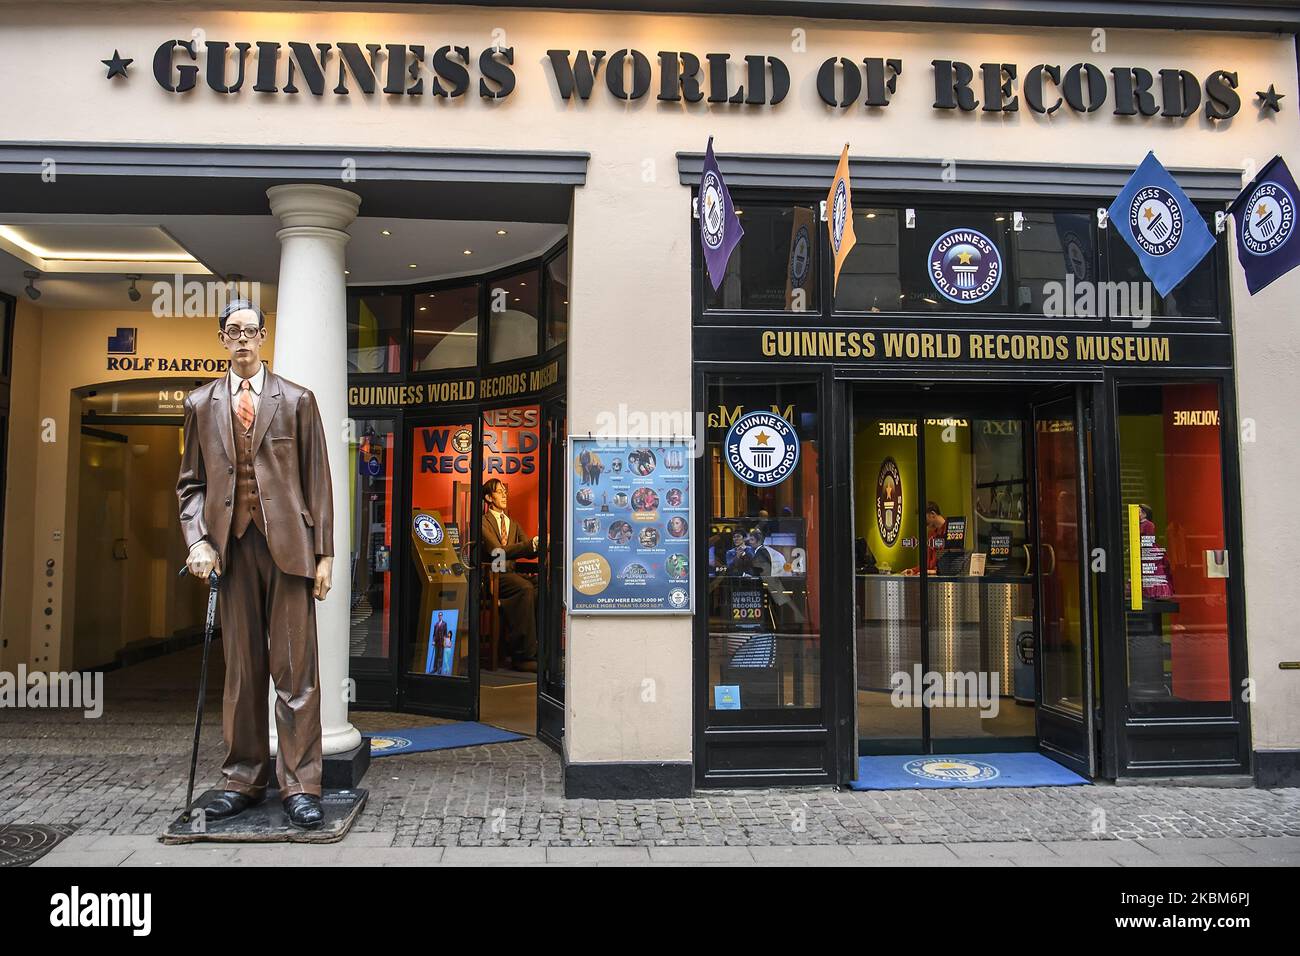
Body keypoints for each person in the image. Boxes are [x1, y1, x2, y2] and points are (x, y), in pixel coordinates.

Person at [177, 299, 333, 831]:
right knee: (242, 673)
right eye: (233, 331)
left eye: (251, 330)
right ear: (222, 338)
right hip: (231, 550)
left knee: (296, 673)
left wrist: (326, 554)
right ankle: (242, 778)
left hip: (290, 552)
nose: (242, 339)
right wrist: (197, 540)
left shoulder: (297, 399)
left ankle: (301, 783)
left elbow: (319, 480)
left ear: (263, 336)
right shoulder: (201, 404)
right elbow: (190, 486)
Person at [481, 478, 539, 672]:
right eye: (499, 492)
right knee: (525, 588)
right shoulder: (482, 522)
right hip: (494, 576)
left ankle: (537, 647)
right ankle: (522, 656)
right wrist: (529, 545)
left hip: (512, 575)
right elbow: (497, 551)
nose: (504, 495)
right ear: (489, 498)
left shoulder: (512, 523)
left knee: (541, 585)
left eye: (505, 491)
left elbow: (528, 550)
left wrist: (540, 543)